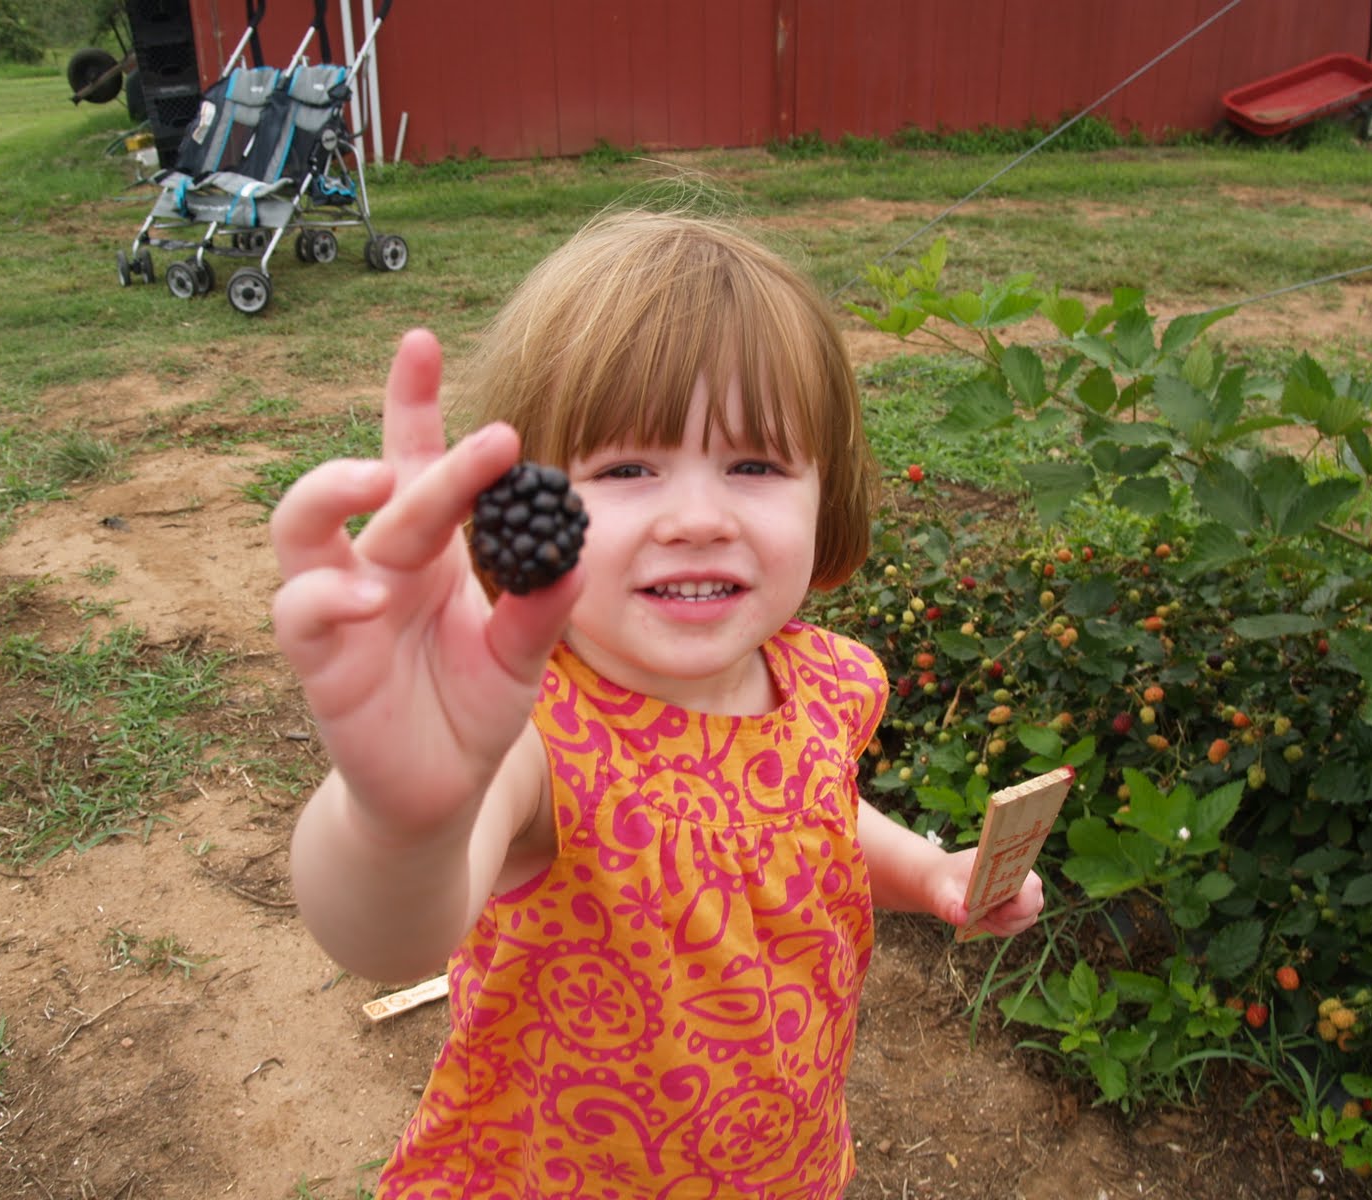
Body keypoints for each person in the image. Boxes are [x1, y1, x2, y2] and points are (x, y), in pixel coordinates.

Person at [270, 209, 1045, 1199]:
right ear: (522, 507)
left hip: (782, 1162)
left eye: (755, 466)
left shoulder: (824, 681)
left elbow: (818, 818)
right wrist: (399, 823)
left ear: (829, 491)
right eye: (627, 469)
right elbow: (389, 936)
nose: (696, 518)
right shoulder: (531, 742)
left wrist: (930, 873)